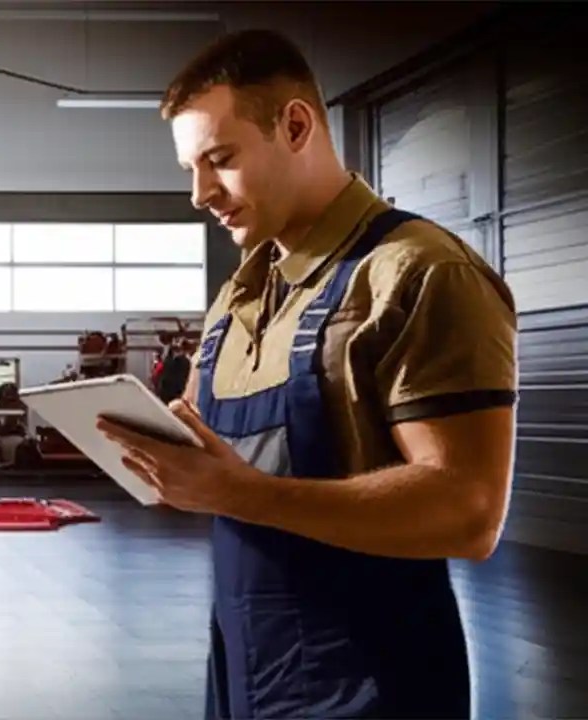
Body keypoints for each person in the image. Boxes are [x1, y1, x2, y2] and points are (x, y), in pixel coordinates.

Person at [97, 29, 518, 720]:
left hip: (371, 687)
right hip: (244, 673)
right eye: (189, 169)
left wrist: (245, 493)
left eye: (220, 160)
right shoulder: (240, 294)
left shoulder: (418, 274)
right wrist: (167, 456)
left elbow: (468, 511)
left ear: (295, 126)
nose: (200, 193)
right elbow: (216, 463)